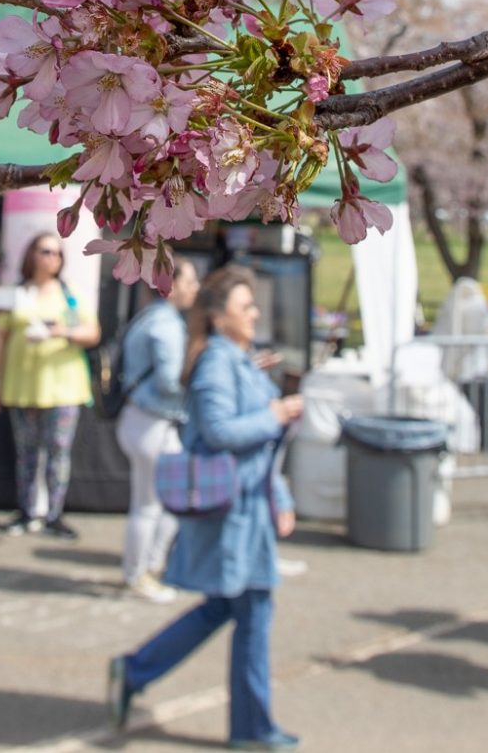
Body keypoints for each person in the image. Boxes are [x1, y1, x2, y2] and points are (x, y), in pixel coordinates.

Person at [108, 266, 303, 751]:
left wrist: (280, 495)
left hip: (251, 504)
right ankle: (251, 728)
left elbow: (262, 448)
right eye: (245, 307)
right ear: (218, 317)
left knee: (227, 606)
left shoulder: (238, 359)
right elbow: (218, 432)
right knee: (252, 608)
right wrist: (274, 415)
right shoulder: (217, 362)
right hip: (234, 508)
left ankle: (136, 670)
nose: (254, 314)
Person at [0, 231, 100, 539]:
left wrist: (62, 332)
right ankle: (27, 510)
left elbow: (92, 332)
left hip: (63, 386)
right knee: (27, 451)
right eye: (45, 251)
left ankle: (54, 513)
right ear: (32, 255)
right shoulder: (17, 293)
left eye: (56, 253)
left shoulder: (70, 294)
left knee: (58, 451)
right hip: (23, 384)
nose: (51, 258)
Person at [116, 256, 200, 602]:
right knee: (150, 505)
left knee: (163, 502)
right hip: (153, 423)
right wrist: (202, 385)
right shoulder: (166, 324)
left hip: (144, 421)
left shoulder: (150, 316)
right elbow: (169, 382)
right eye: (190, 281)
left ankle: (150, 567)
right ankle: (139, 574)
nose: (195, 288)